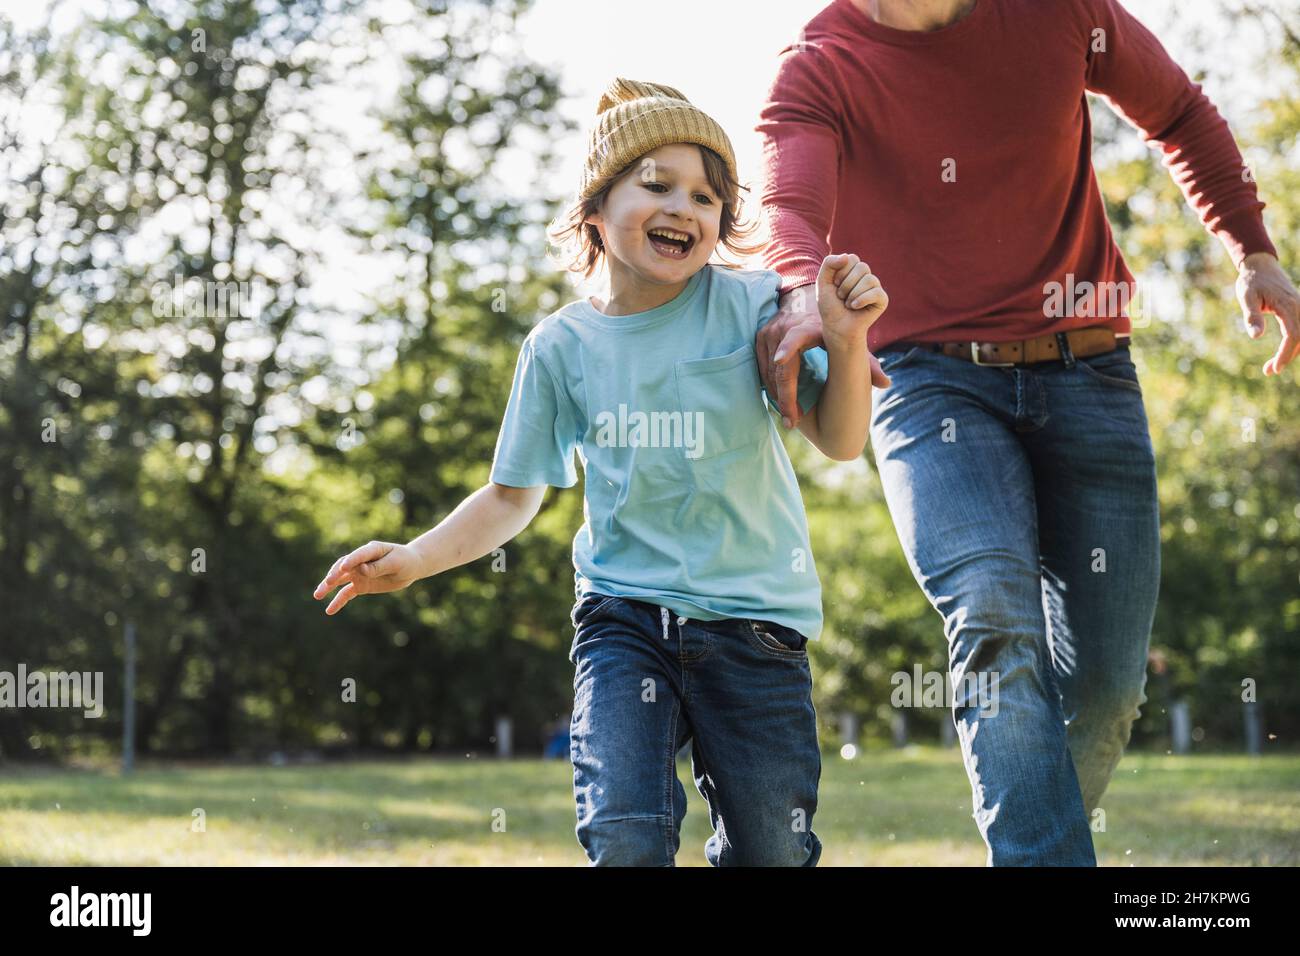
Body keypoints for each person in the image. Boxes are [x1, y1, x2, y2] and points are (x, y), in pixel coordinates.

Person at [754, 0, 1299, 865]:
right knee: (991, 613)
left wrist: (1252, 248)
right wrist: (797, 296)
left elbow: (1181, 112)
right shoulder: (821, 62)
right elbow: (791, 210)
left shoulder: (1061, 12)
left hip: (1088, 367)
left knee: (1110, 688)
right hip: (927, 381)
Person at [312, 77, 889, 866]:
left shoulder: (752, 305)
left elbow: (841, 439)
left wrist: (849, 340)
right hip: (625, 620)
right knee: (623, 832)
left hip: (755, 624)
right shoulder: (560, 348)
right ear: (594, 209)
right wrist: (416, 559)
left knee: (774, 851)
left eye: (706, 197)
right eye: (657, 186)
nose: (686, 207)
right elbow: (513, 494)